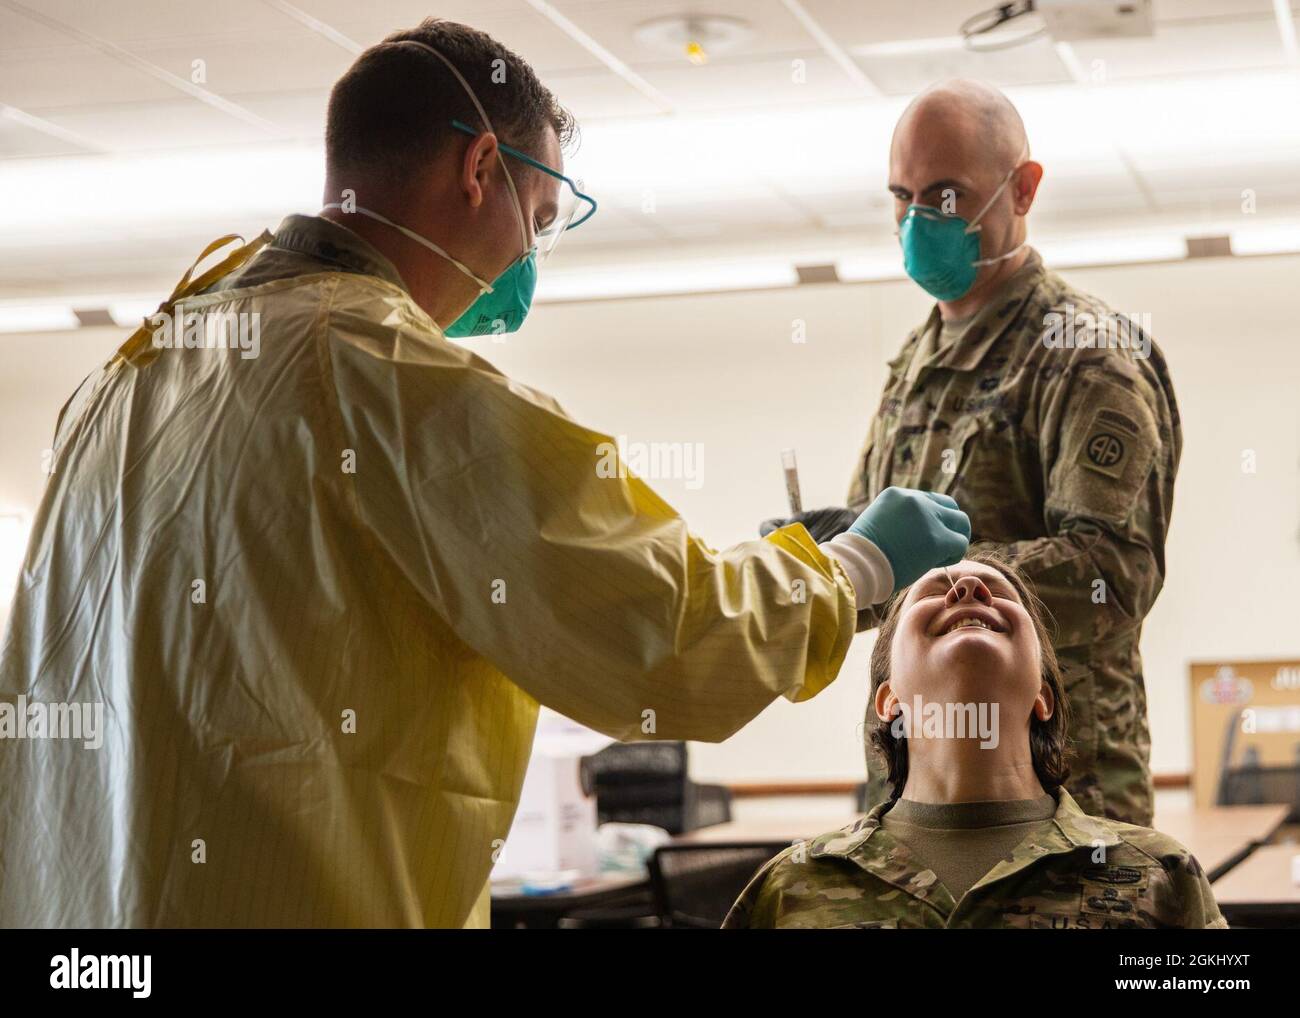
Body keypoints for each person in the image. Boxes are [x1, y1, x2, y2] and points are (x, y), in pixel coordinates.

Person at [0, 20, 970, 928]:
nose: (527, 259)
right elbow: (666, 637)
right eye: (538, 218)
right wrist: (854, 567)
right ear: (479, 168)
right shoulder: (389, 379)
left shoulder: (127, 379)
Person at [762, 80, 1181, 826]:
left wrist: (926, 571)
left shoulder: (1087, 355)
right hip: (913, 797)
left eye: (947, 195)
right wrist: (838, 557)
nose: (921, 219)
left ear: (1022, 189)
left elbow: (1111, 579)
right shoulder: (917, 362)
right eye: (903, 194)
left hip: (1058, 805)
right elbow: (883, 594)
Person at [723, 553, 1226, 929]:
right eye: (932, 593)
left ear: (1043, 696)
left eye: (998, 591)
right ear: (888, 700)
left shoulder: (1159, 875)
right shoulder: (792, 886)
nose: (966, 588)